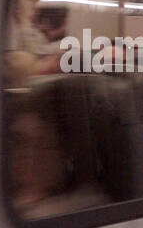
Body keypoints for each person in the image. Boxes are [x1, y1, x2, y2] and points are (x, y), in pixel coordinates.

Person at [7, 89, 110, 219]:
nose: (28, 154)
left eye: (44, 144)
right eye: (18, 142)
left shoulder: (86, 207)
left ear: (66, 155)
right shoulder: (2, 200)